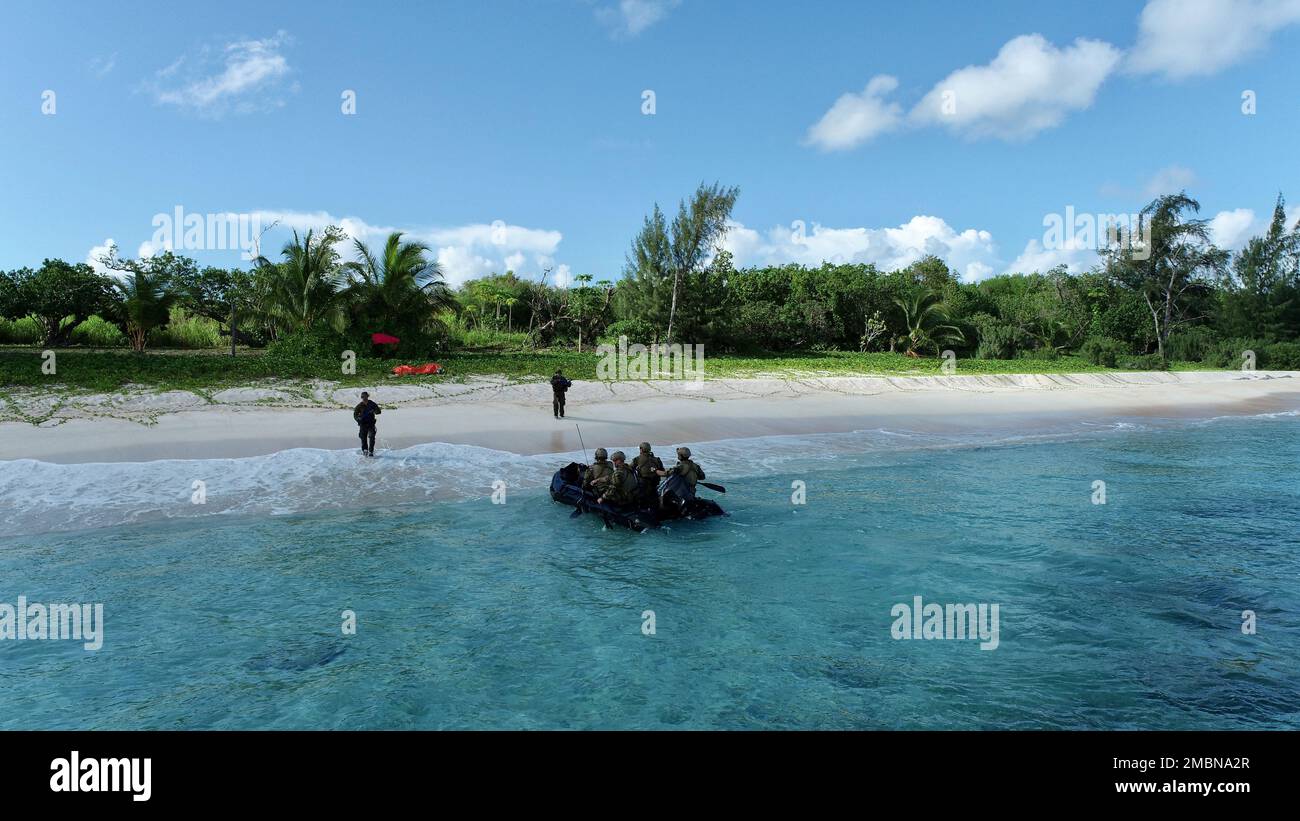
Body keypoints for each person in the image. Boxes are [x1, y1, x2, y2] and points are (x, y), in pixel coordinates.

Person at [352, 391, 382, 456]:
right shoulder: (359, 405)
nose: (363, 398)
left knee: (372, 437)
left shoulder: (372, 404)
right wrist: (358, 419)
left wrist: (374, 411)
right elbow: (355, 414)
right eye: (362, 397)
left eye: (365, 396)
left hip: (371, 423)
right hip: (363, 424)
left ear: (367, 396)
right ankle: (365, 450)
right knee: (363, 437)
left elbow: (379, 411)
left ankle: (371, 451)